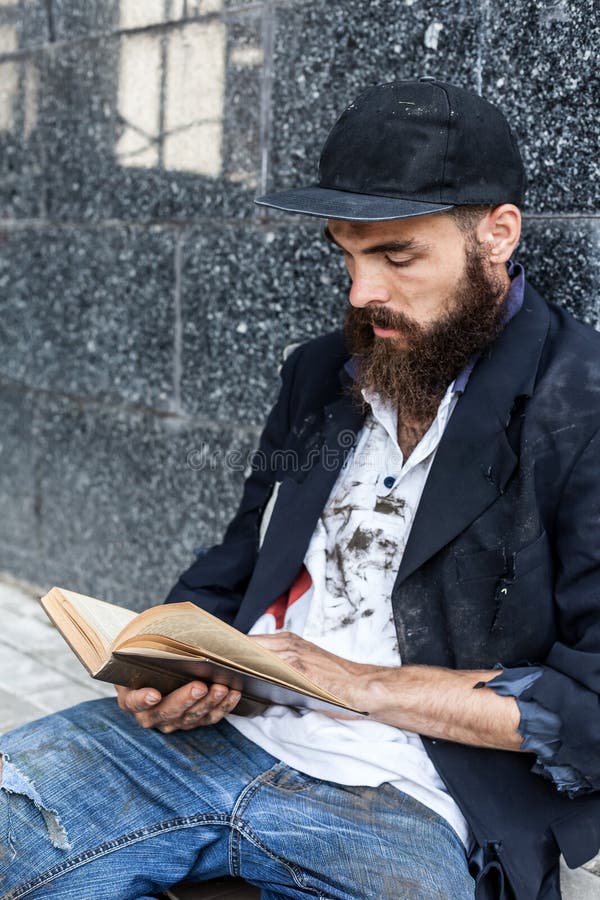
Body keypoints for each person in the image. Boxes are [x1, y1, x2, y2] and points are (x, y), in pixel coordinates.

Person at [2, 78, 600, 900]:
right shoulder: (323, 373)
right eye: (346, 254)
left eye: (396, 256)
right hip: (227, 732)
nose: (362, 294)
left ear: (497, 234)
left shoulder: (582, 405)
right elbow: (240, 557)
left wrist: (356, 683)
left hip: (415, 790)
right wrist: (171, 662)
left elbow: (592, 706)